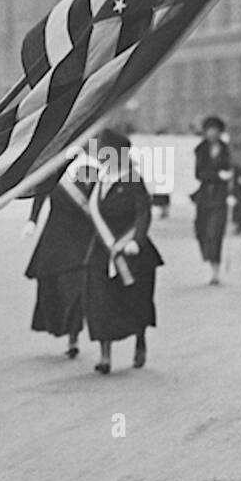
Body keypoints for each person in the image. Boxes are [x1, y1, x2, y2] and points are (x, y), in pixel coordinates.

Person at [80, 129, 163, 375]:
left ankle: (140, 338)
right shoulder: (99, 179)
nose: (101, 157)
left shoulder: (132, 179)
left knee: (135, 300)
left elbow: (143, 213)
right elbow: (92, 211)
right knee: (99, 299)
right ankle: (105, 355)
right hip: (101, 249)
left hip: (131, 249)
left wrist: (137, 239)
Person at [24, 165, 93, 358]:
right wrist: (32, 220)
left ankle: (74, 336)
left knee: (75, 288)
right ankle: (61, 327)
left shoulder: (91, 168)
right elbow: (40, 196)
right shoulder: (54, 169)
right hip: (55, 237)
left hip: (82, 236)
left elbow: (98, 200)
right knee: (51, 285)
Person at [192, 115, 233, 284]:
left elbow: (233, 169)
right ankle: (209, 261)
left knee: (215, 232)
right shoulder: (201, 150)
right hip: (204, 196)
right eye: (209, 130)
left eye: (215, 130)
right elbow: (198, 173)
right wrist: (217, 175)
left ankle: (215, 270)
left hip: (220, 197)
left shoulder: (227, 150)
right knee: (202, 231)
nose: (212, 134)